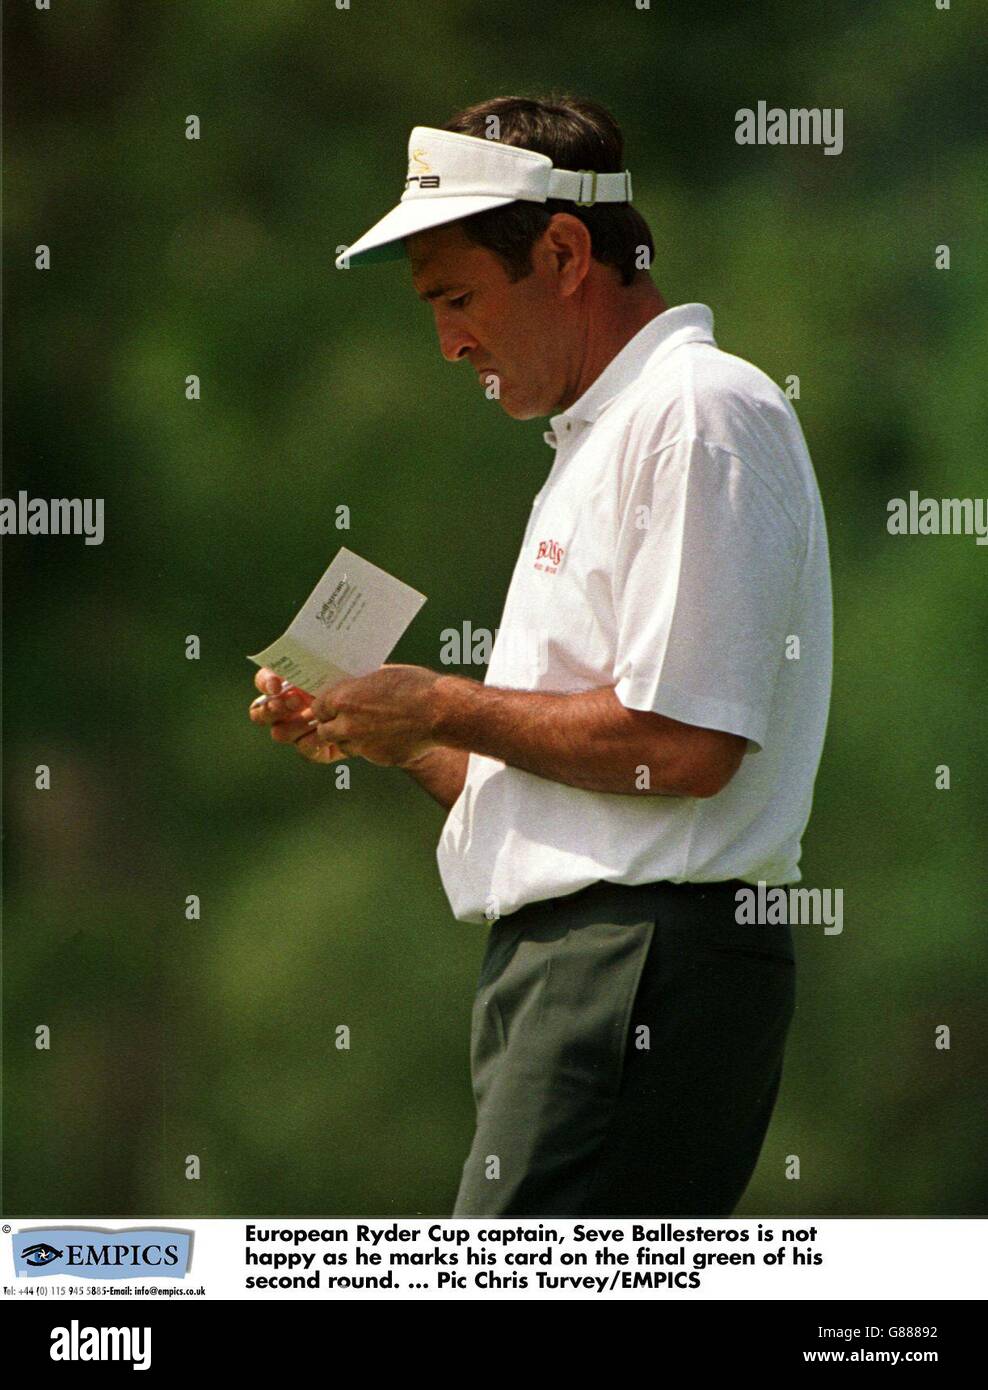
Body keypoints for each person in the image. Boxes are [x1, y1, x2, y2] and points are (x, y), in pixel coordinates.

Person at [249, 94, 833, 1217]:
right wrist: (402, 734)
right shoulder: (607, 435)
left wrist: (444, 702)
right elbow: (581, 788)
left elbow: (686, 743)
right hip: (583, 973)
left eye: (457, 298)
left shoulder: (697, 412)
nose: (448, 342)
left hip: (634, 971)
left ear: (565, 251)